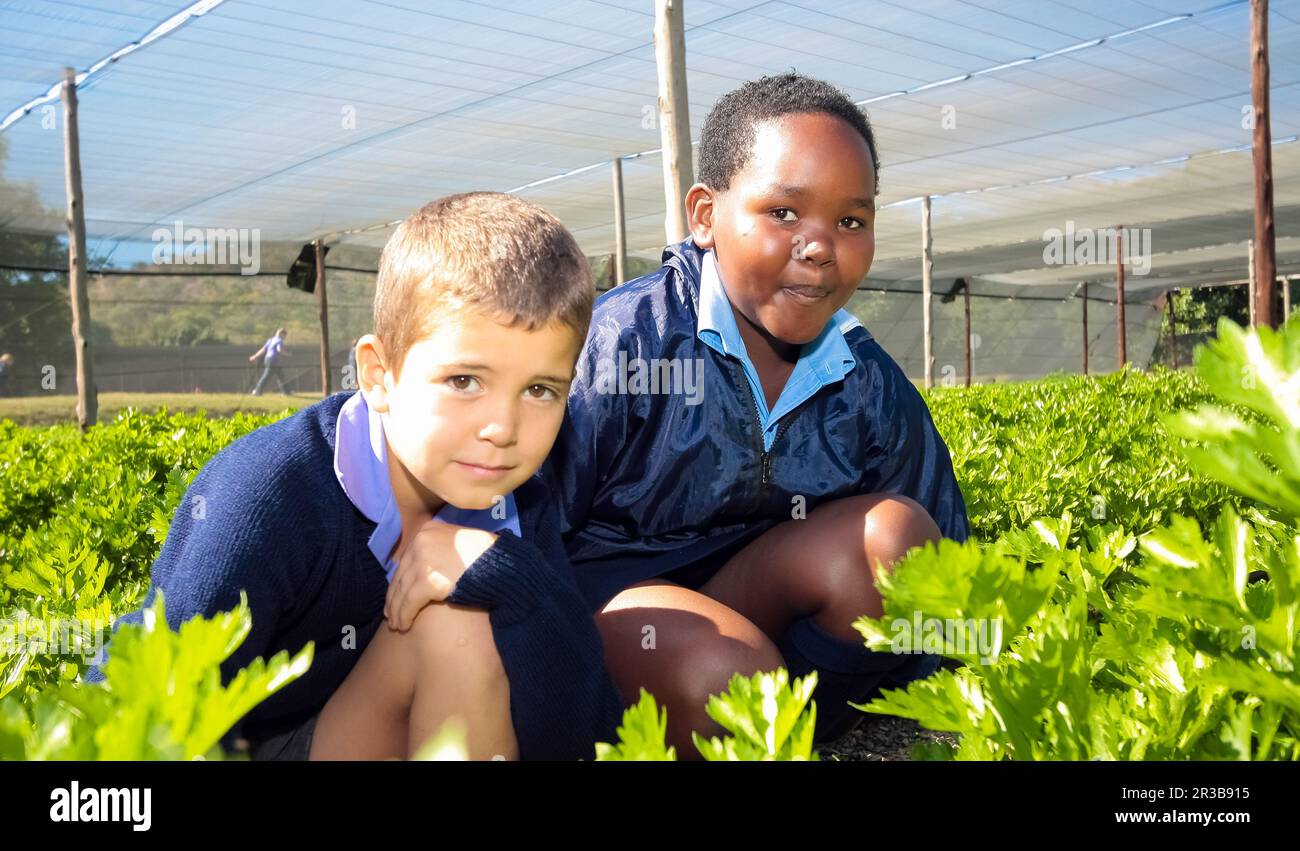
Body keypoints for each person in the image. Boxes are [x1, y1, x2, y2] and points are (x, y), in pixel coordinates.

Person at [86, 193, 622, 761]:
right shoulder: (271, 494)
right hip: (245, 748)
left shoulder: (520, 505)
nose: (502, 427)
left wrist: (515, 583)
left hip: (353, 730)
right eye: (465, 380)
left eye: (540, 390)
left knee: (462, 625)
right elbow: (142, 701)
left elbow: (590, 738)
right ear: (379, 375)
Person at [548, 74, 971, 752]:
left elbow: (946, 550)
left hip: (746, 613)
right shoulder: (625, 343)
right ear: (705, 216)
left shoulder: (862, 377)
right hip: (611, 617)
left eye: (851, 221)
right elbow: (521, 528)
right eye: (783, 213)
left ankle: (802, 727)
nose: (820, 245)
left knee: (896, 542)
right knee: (730, 677)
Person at [249, 327, 289, 395]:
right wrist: (287, 354)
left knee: (281, 376)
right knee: (266, 376)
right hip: (273, 360)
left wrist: (255, 356)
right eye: (285, 336)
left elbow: (263, 349)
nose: (285, 337)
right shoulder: (280, 340)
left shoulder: (271, 340)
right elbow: (279, 350)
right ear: (282, 334)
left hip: (267, 359)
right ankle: (257, 390)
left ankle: (286, 392)